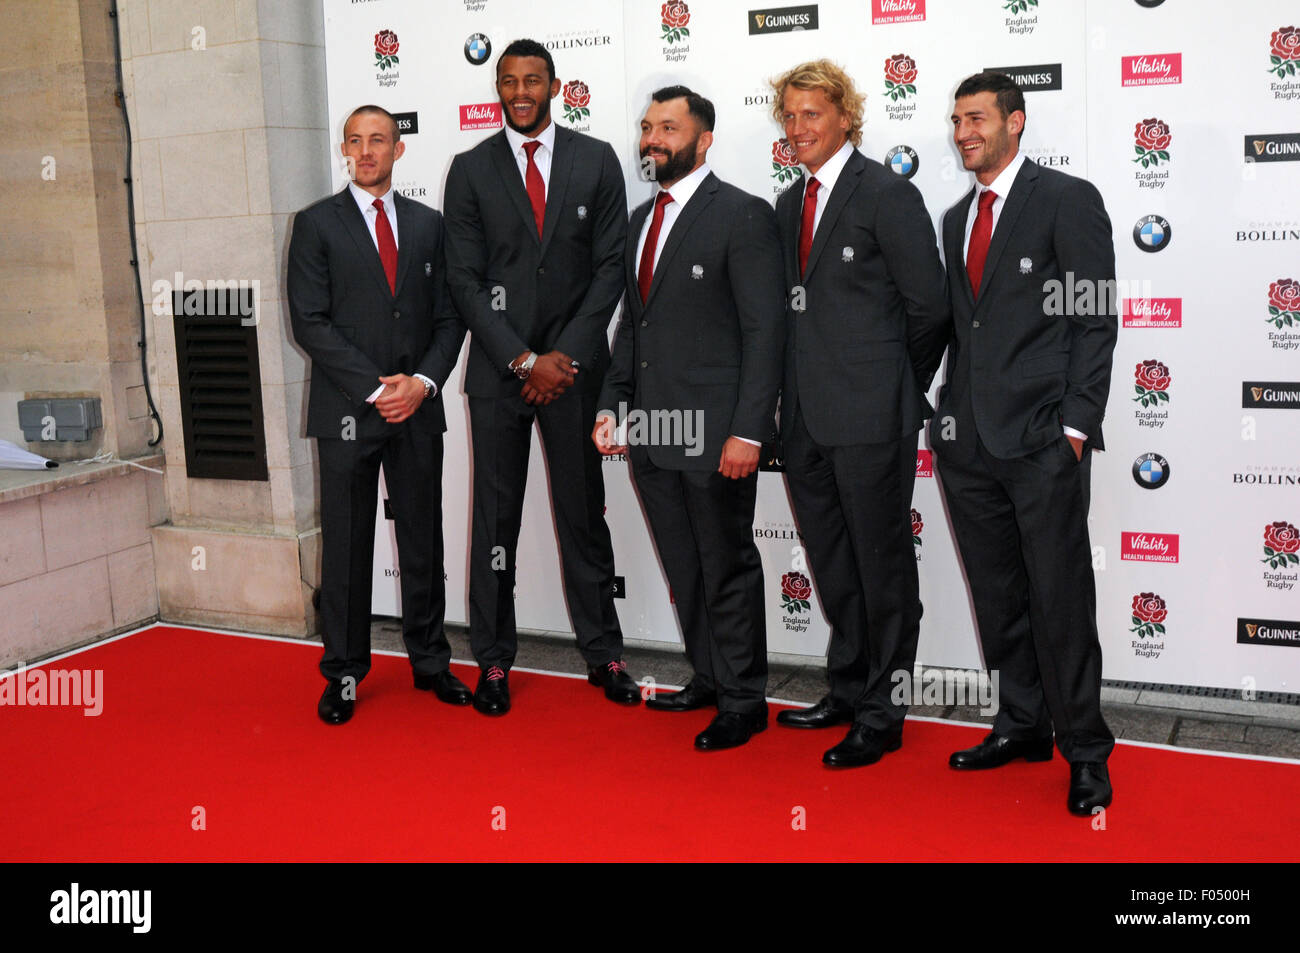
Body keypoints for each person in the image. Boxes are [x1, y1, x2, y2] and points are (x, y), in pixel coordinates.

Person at [933, 71, 1117, 814]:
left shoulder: (1066, 200)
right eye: (956, 120)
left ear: (1016, 120)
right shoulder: (955, 218)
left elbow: (1093, 320)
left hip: (1042, 441)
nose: (963, 132)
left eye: (977, 118)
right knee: (999, 596)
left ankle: (1086, 751)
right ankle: (1021, 723)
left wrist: (1073, 428)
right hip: (969, 444)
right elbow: (959, 328)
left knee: (1060, 600)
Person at [443, 39, 635, 716]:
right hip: (501, 377)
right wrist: (523, 359)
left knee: (584, 515)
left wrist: (565, 358)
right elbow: (464, 281)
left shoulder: (597, 159)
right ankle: (492, 662)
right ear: (497, 87)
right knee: (495, 522)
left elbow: (612, 267)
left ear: (555, 85)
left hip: (575, 374)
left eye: (532, 80)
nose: (520, 91)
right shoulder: (470, 170)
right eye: (508, 81)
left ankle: (604, 651)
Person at [768, 61, 949, 767]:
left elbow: (929, 307)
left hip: (874, 415)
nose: (798, 128)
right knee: (835, 562)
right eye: (789, 115)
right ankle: (847, 687)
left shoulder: (886, 193)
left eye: (812, 113)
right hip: (806, 420)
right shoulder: (789, 203)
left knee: (882, 569)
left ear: (847, 117)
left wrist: (891, 385)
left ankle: (884, 709)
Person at [593, 86, 785, 751]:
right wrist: (612, 405)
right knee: (687, 566)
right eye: (648, 127)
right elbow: (631, 330)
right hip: (651, 435)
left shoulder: (743, 215)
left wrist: (748, 430)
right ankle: (708, 675)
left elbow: (766, 334)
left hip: (716, 435)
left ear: (704, 139)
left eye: (667, 129)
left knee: (726, 566)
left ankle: (744, 698)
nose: (652, 139)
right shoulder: (639, 221)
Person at [288, 104, 469, 725]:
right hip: (346, 415)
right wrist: (375, 388)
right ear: (344, 149)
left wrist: (419, 383)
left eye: (379, 141)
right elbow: (308, 321)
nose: (366, 152)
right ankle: (342, 672)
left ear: (398, 149)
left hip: (417, 410)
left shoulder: (429, 226)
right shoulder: (315, 225)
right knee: (345, 546)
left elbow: (451, 318)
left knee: (423, 537)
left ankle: (430, 661)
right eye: (356, 142)